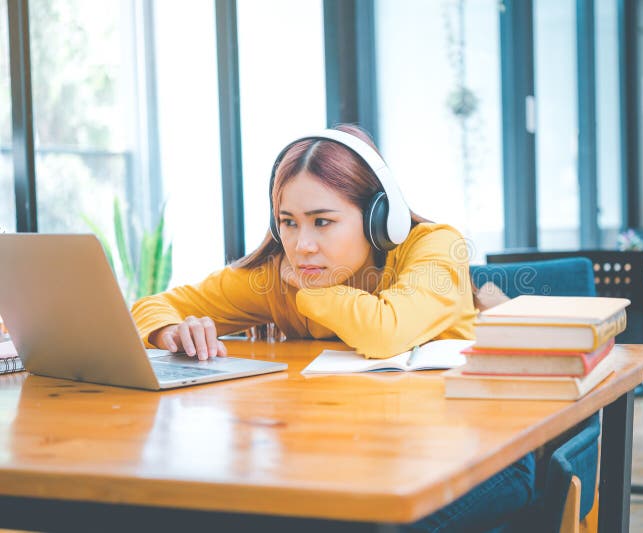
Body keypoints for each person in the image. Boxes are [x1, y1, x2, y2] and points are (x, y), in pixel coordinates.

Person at [130, 124, 538, 531]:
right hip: (350, 460)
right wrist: (167, 331)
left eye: (321, 222)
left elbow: (386, 331)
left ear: (380, 217)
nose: (302, 244)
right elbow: (151, 306)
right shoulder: (278, 273)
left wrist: (307, 290)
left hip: (481, 459)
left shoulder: (435, 246)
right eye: (287, 222)